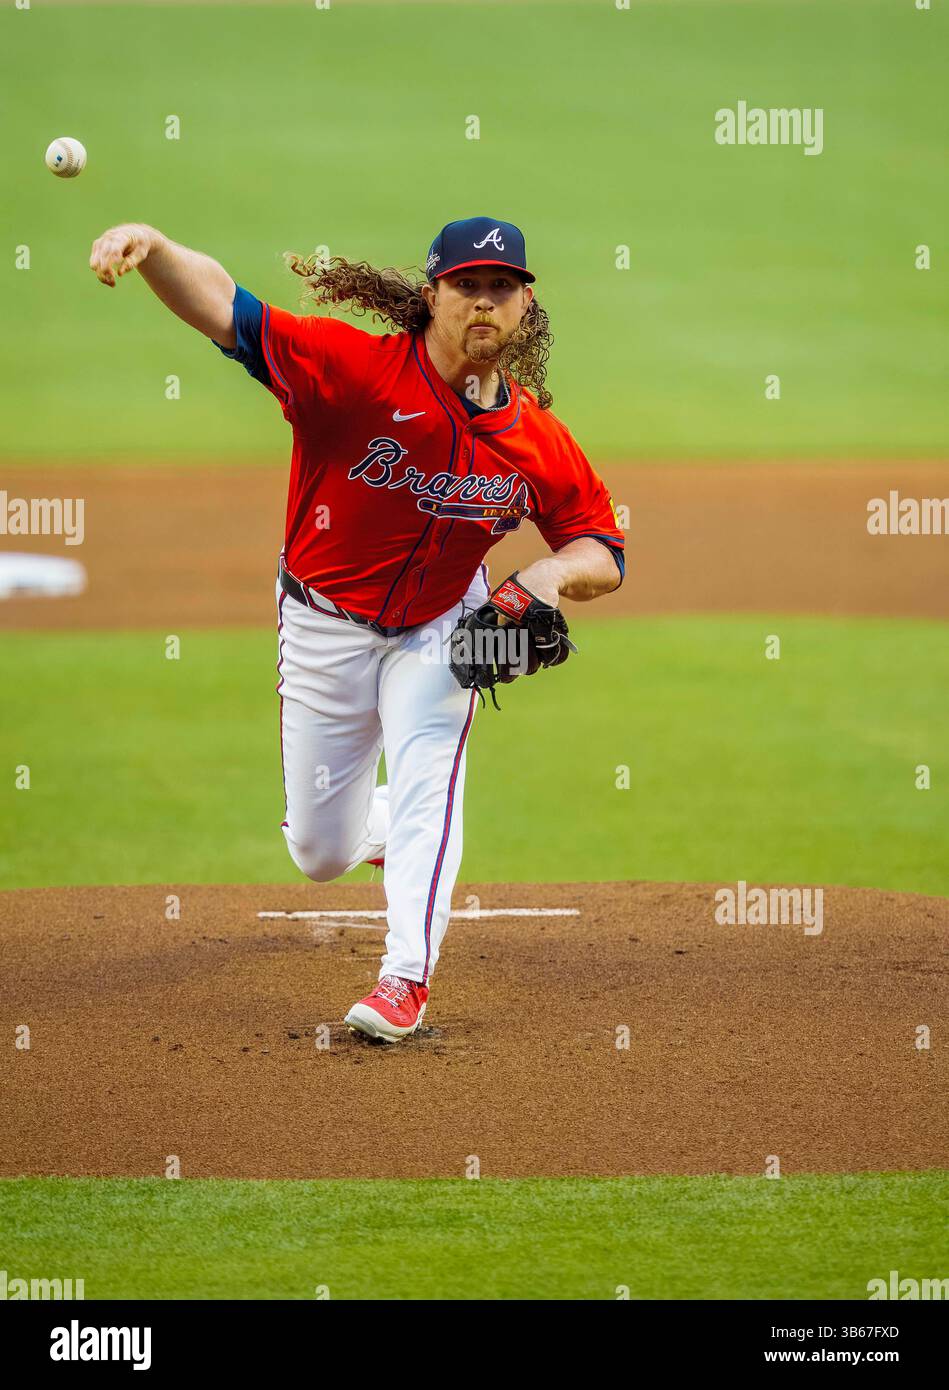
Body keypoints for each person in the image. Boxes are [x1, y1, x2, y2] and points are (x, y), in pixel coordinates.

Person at [89, 215, 626, 1042]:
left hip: (444, 628)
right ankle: (373, 830)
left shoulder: (536, 439)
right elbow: (228, 309)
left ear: (526, 307)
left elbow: (601, 545)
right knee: (318, 851)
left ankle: (403, 980)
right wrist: (154, 248)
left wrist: (550, 575)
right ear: (431, 295)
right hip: (321, 624)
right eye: (466, 286)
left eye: (501, 288)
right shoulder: (352, 371)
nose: (484, 302)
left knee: (429, 786)